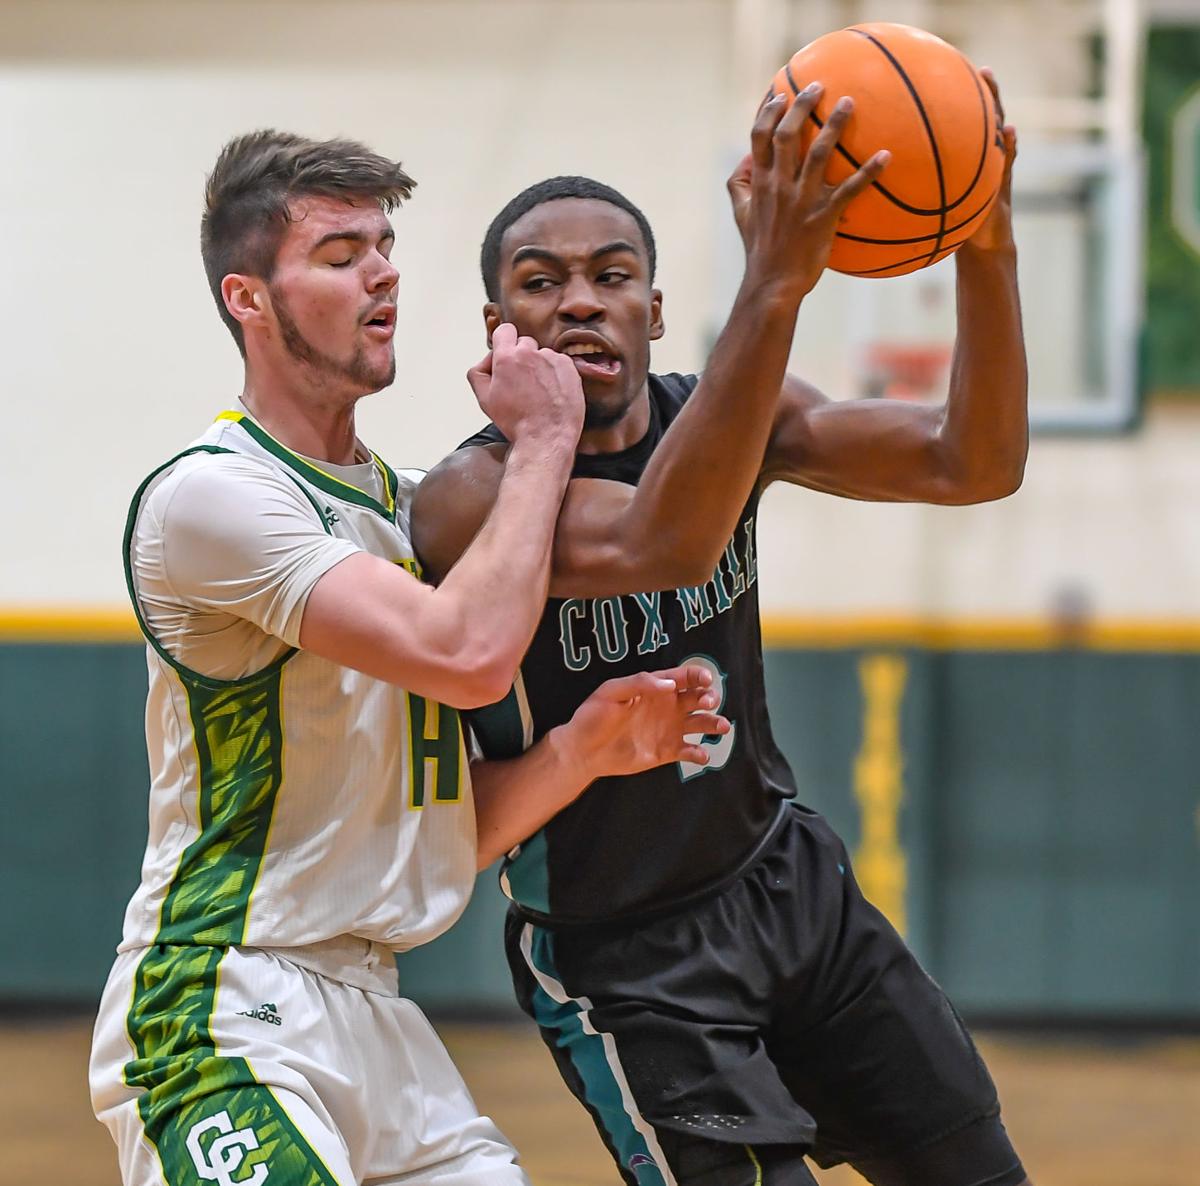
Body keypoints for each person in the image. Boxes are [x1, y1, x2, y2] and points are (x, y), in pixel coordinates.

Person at [411, 79, 1032, 1186]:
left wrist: (983, 243)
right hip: (624, 950)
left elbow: (971, 462)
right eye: (539, 284)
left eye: (612, 277)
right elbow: (671, 541)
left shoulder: (739, 409)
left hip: (783, 877)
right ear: (499, 331)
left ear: (653, 310)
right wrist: (778, 280)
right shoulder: (473, 495)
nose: (578, 304)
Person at [88, 129, 730, 1186]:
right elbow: (470, 655)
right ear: (249, 298)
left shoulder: (402, 507)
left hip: (380, 1019)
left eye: (384, 245)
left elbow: (424, 835)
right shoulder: (215, 495)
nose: (383, 271)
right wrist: (544, 442)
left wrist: (582, 748)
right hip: (221, 1007)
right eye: (341, 255)